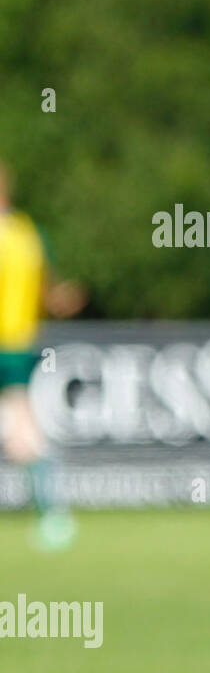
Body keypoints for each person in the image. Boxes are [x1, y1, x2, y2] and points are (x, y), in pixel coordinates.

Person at [0, 163, 86, 549]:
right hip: (19, 346)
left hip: (12, 347)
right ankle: (52, 514)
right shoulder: (30, 234)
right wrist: (63, 299)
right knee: (21, 433)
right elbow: (53, 298)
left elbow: (48, 297)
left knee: (22, 435)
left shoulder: (25, 236)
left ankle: (52, 514)